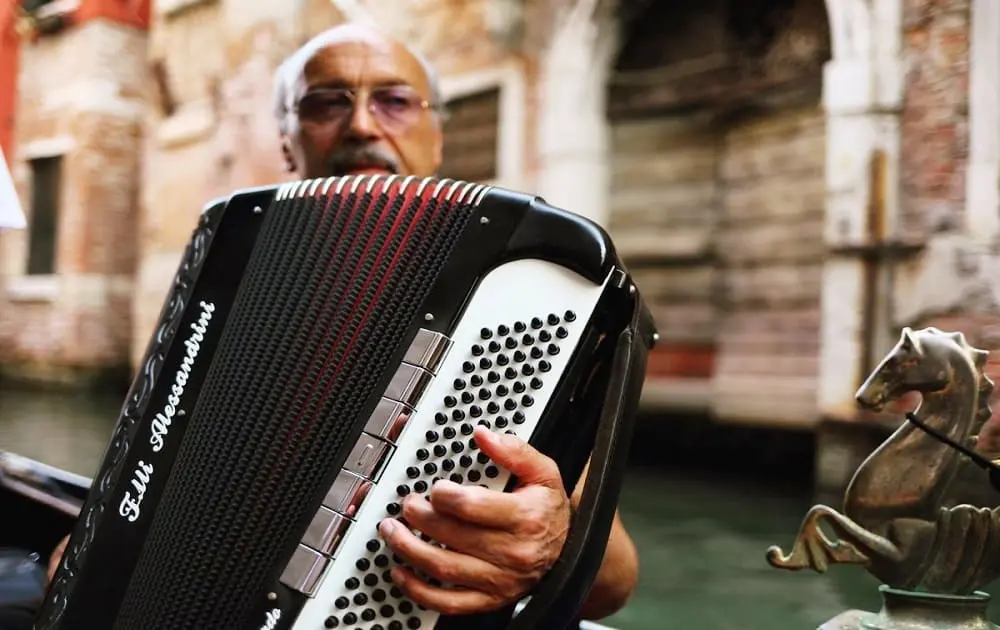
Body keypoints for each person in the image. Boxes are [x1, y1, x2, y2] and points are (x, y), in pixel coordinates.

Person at [271, 23, 639, 621]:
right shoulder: (223, 281)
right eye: (326, 102)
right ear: (287, 141)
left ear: (436, 136)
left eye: (395, 101)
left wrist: (551, 541)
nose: (363, 125)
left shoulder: (515, 303)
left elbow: (616, 578)